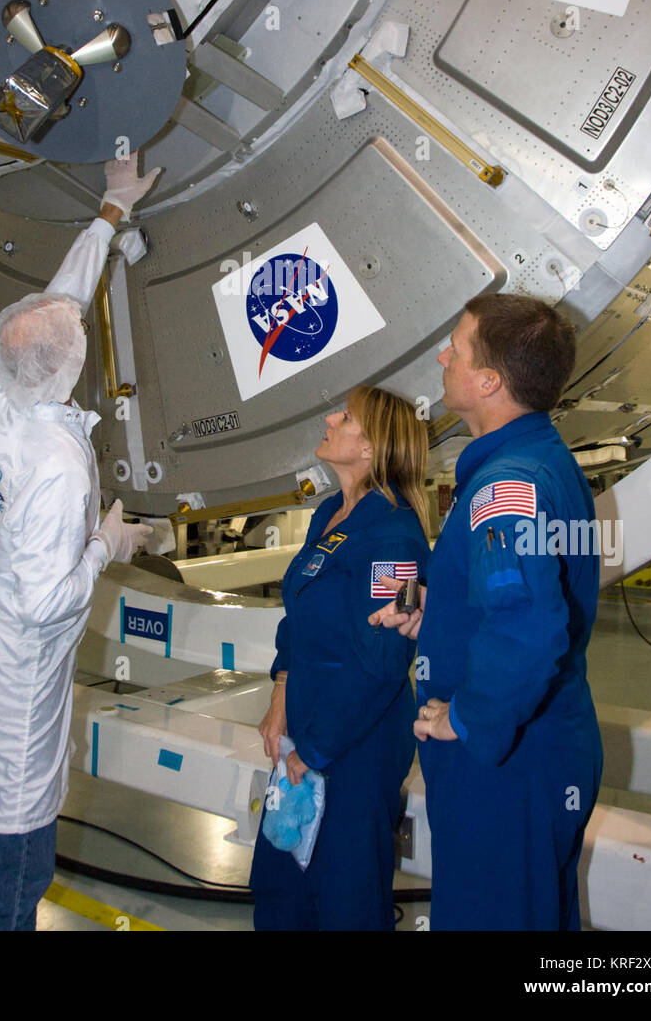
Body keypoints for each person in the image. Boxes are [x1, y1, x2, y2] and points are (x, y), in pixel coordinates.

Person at [0, 152, 158, 931]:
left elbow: (58, 304)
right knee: (16, 850)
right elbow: (47, 603)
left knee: (0, 827)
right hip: (21, 669)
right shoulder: (60, 465)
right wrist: (105, 545)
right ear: (67, 370)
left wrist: (109, 213)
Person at [371, 293, 604, 930]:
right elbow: (517, 591)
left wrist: (470, 716)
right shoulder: (538, 464)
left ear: (489, 380)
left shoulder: (507, 486)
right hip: (542, 747)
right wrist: (433, 614)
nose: (442, 355)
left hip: (508, 764)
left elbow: (529, 625)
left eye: (458, 346)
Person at [250, 384, 431, 931]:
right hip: (303, 727)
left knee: (345, 897)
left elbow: (382, 665)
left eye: (346, 416)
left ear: (372, 449)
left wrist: (319, 748)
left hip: (356, 743)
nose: (330, 417)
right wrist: (280, 692)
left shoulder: (395, 538)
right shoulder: (330, 511)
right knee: (281, 888)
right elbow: (298, 616)